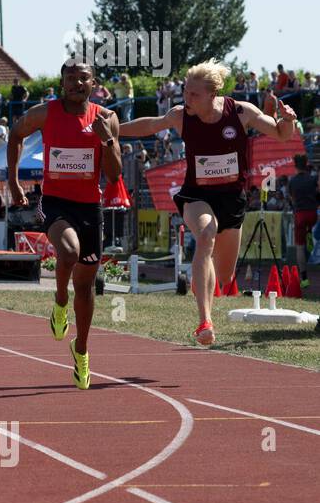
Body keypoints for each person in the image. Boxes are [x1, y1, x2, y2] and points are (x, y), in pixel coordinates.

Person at [119, 61, 297, 345]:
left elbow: (281, 134)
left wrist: (287, 119)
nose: (186, 99)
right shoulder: (181, 116)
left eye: (194, 95)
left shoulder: (240, 112)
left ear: (213, 93)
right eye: (186, 92)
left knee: (225, 276)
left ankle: (205, 278)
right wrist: (114, 128)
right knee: (205, 235)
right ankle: (205, 321)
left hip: (232, 199)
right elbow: (151, 125)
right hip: (196, 195)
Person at [8, 59, 121, 389]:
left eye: (82, 79)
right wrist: (13, 181)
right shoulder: (45, 113)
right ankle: (59, 302)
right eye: (70, 79)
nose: (76, 84)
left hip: (90, 206)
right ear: (62, 84)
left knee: (85, 287)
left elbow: (114, 175)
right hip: (55, 202)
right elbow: (15, 134)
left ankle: (81, 350)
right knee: (68, 252)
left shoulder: (107, 118)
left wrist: (107, 141)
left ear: (93, 82)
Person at [288, 154, 319, 282]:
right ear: (306, 165)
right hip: (313, 213)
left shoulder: (292, 181)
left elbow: (291, 198)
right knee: (310, 229)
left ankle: (304, 278)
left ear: (295, 166)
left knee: (300, 246)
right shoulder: (312, 179)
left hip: (300, 214)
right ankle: (310, 236)